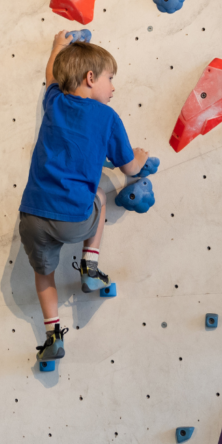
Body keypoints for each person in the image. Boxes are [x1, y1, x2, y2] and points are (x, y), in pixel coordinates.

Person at [19, 31, 149, 366]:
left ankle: (53, 336)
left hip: (32, 216)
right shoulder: (107, 118)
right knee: (100, 194)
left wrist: (58, 47)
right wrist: (140, 156)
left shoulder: (55, 102)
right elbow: (130, 167)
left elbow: (51, 77)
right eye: (110, 79)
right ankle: (89, 266)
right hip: (73, 220)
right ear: (91, 78)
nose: (113, 88)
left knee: (43, 273)